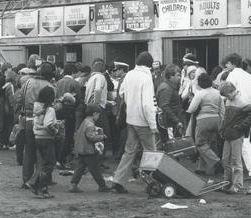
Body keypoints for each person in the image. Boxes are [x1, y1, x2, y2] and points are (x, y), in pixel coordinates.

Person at [108, 53, 158, 193]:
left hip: (131, 119)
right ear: (149, 65)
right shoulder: (146, 78)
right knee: (151, 153)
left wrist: (131, 103)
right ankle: (151, 183)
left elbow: (122, 93)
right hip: (144, 122)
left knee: (129, 152)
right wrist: (153, 125)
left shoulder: (129, 74)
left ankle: (118, 181)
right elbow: (148, 105)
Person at [186, 71, 223, 176]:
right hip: (216, 119)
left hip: (203, 120)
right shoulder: (217, 93)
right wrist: (221, 122)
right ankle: (201, 168)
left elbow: (191, 109)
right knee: (210, 144)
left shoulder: (200, 94)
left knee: (200, 143)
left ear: (200, 83)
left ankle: (216, 162)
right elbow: (222, 109)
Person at [69, 106, 109, 192]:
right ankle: (102, 186)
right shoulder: (90, 124)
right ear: (94, 114)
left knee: (80, 167)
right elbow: (91, 137)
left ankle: (73, 184)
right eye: (98, 115)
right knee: (95, 169)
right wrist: (102, 137)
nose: (98, 117)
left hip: (81, 148)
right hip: (88, 150)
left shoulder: (85, 121)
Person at [29, 84, 59, 197]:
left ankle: (36, 185)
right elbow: (48, 124)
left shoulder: (37, 107)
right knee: (49, 164)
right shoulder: (49, 109)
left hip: (38, 137)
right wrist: (55, 131)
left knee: (43, 163)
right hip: (47, 138)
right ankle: (41, 187)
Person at [155, 65, 185, 143]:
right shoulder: (166, 88)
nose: (180, 77)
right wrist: (177, 121)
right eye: (178, 75)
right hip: (169, 123)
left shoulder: (169, 87)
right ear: (171, 76)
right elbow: (164, 106)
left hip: (171, 122)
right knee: (171, 145)